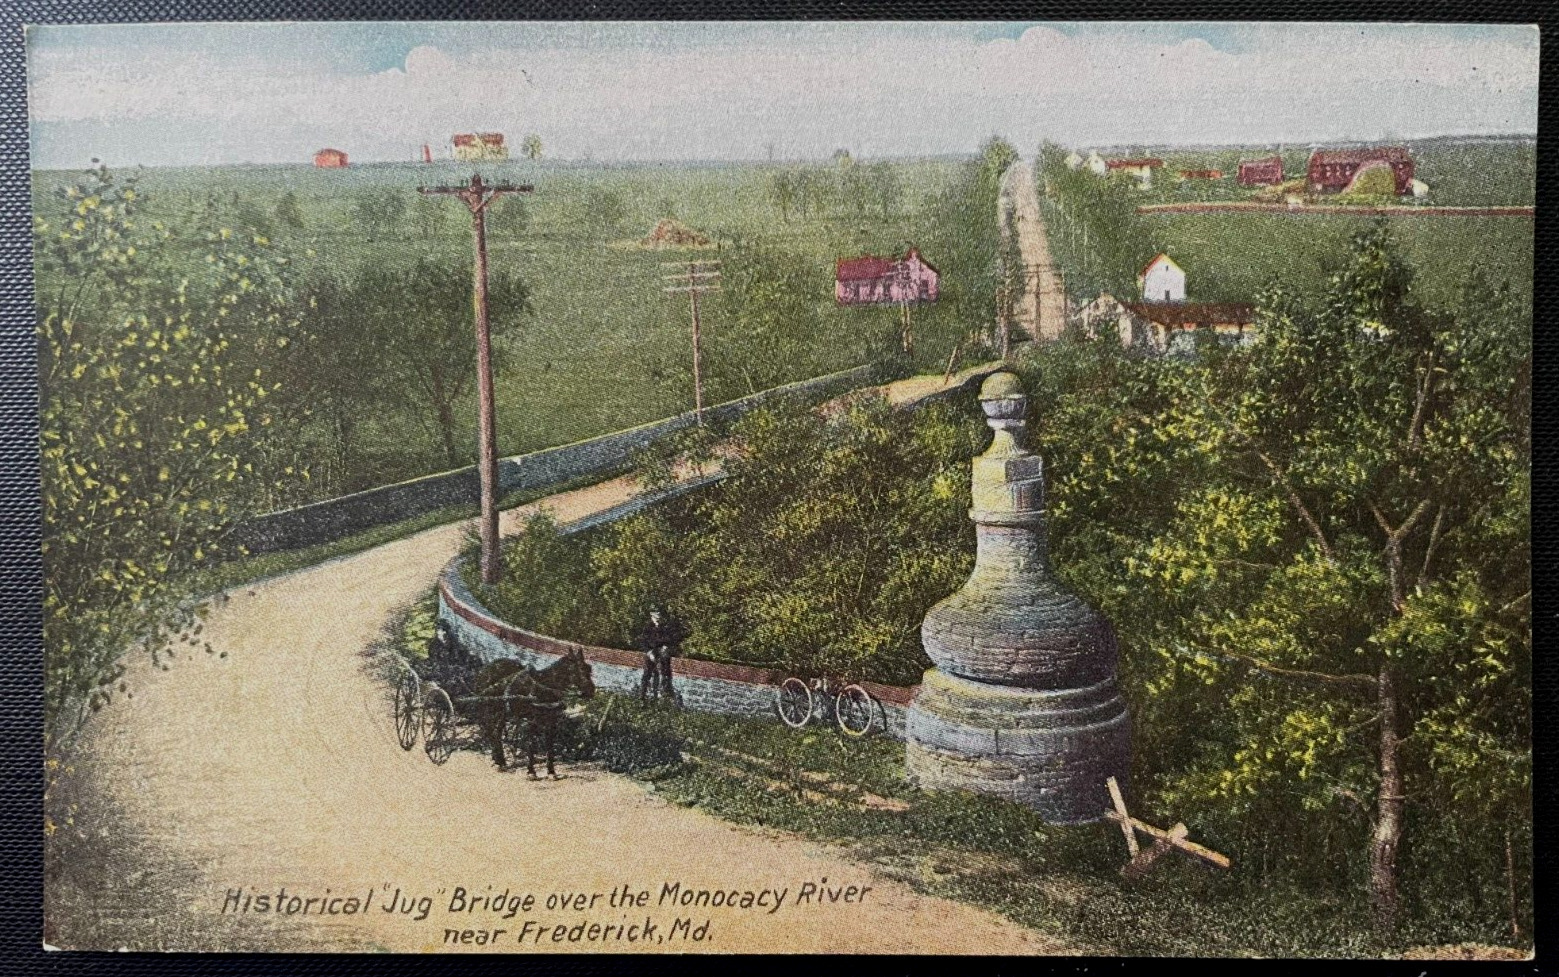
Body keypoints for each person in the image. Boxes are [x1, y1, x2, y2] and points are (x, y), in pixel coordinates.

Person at [637, 606, 687, 706]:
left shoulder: (665, 627)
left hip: (662, 654)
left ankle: (663, 696)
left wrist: (666, 646)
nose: (658, 620)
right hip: (651, 653)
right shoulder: (647, 628)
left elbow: (671, 639)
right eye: (656, 617)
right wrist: (649, 652)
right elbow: (643, 642)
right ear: (652, 616)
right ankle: (642, 697)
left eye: (659, 617)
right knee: (647, 674)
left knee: (665, 674)